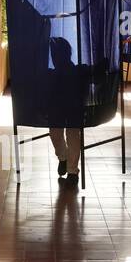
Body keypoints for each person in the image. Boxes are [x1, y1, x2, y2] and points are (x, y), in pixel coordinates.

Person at [46, 36, 82, 187]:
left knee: (69, 134)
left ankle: (72, 171)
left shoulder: (74, 71)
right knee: (56, 134)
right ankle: (64, 158)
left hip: (70, 111)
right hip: (61, 112)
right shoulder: (54, 73)